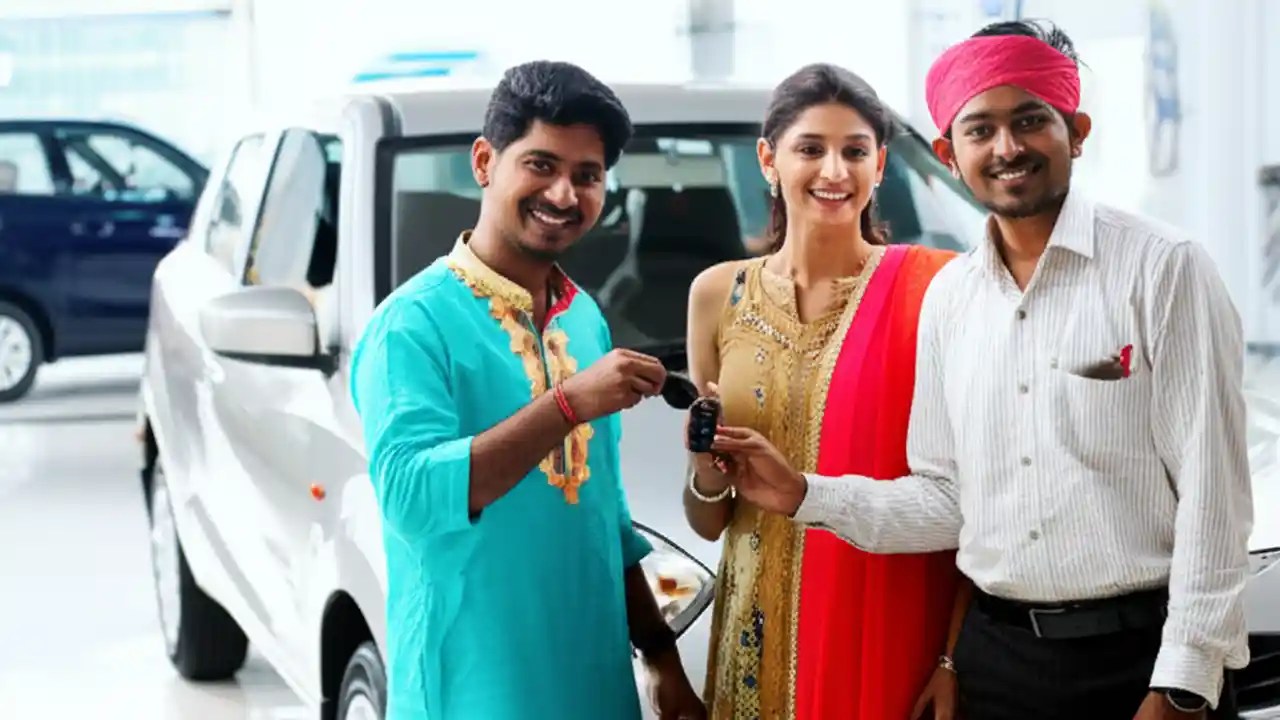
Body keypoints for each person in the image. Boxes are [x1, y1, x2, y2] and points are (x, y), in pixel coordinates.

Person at [708, 20, 1253, 720]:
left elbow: (1215, 491)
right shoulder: (951, 299)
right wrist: (804, 493)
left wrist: (1183, 682)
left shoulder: (1162, 268)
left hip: (1139, 663)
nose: (1007, 148)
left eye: (1031, 120)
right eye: (980, 130)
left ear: (1076, 131)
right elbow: (944, 500)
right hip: (999, 669)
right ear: (948, 152)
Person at [350, 60, 705, 720]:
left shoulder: (584, 319)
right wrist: (566, 405)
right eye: (541, 165)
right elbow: (410, 497)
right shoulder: (410, 325)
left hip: (594, 686)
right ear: (485, 161)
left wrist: (660, 657)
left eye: (587, 176)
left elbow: (607, 513)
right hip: (470, 689)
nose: (565, 193)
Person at [682, 63, 969, 720]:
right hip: (754, 638)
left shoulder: (935, 291)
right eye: (810, 148)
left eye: (855, 151)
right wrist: (705, 473)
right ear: (768, 159)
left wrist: (952, 657)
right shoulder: (716, 296)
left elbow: (973, 496)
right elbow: (709, 520)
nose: (834, 171)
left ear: (881, 164)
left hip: (891, 626)